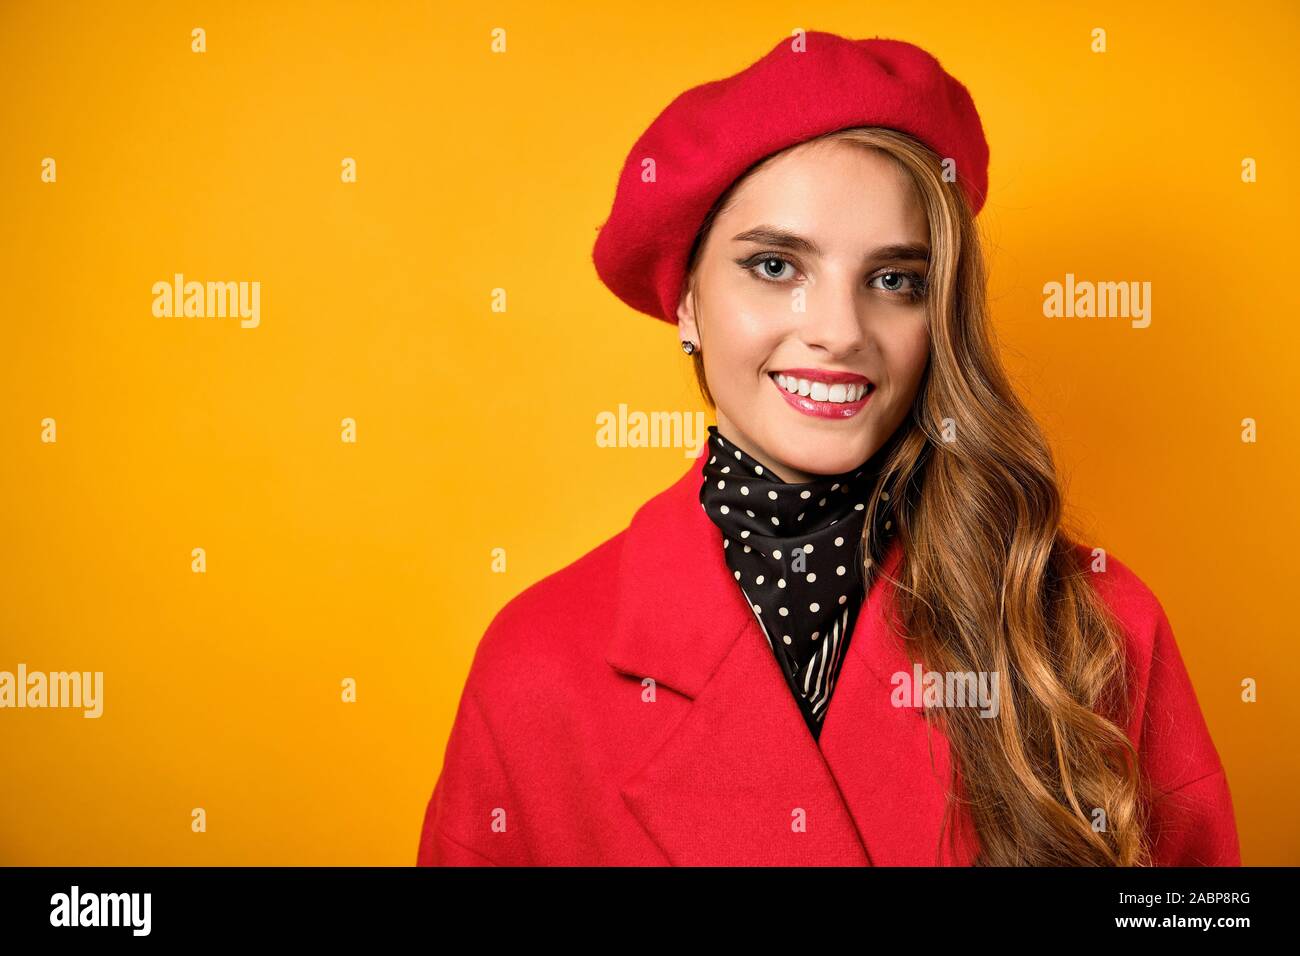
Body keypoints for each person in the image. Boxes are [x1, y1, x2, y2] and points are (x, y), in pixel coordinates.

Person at [417, 30, 1240, 866]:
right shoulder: (536, 664)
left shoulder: (1090, 627)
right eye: (776, 265)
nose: (841, 333)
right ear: (689, 305)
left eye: (895, 281)